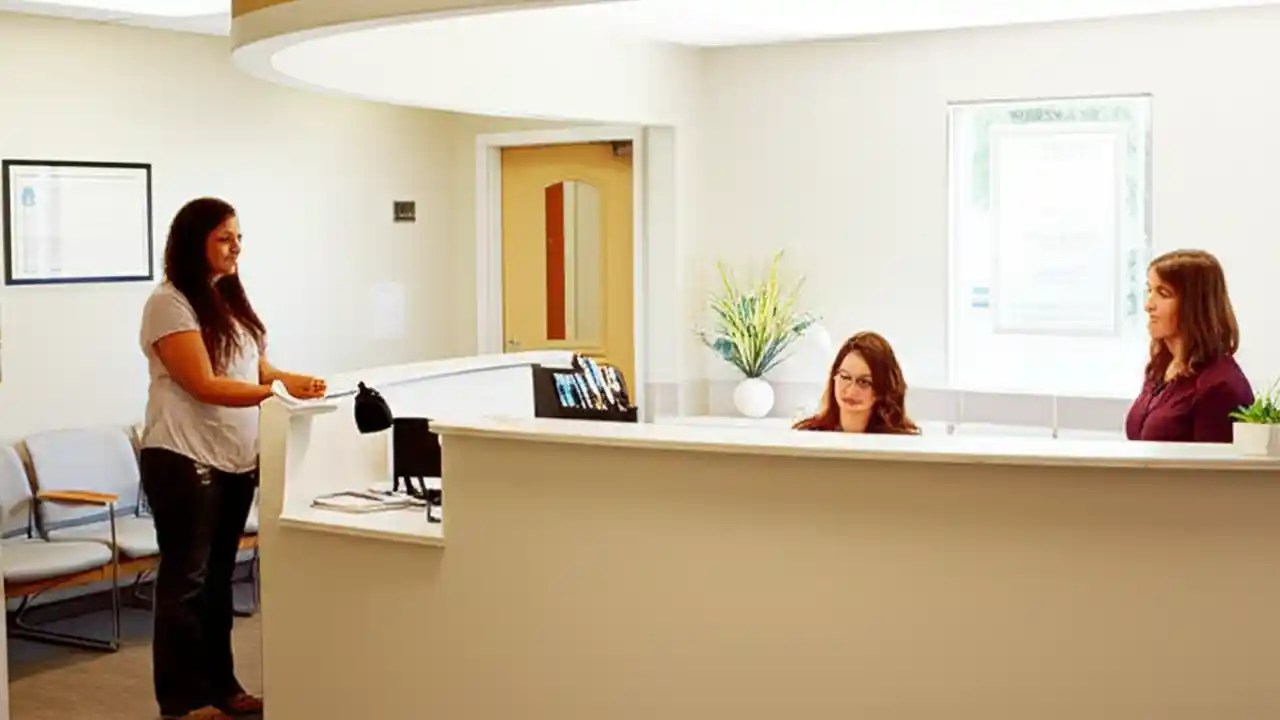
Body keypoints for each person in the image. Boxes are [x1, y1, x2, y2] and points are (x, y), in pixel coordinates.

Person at [139, 197, 327, 720]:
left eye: (238, 237)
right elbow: (201, 383)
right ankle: (181, 699)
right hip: (183, 457)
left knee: (220, 580)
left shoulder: (227, 297)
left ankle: (222, 687)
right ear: (193, 242)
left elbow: (252, 365)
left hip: (234, 459)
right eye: (224, 238)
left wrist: (291, 382)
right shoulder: (169, 303)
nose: (236, 247)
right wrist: (272, 397)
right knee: (187, 583)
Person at [1125, 249, 1253, 443]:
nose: (1148, 305)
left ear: (1194, 306)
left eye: (1163, 294)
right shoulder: (1160, 369)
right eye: (1150, 290)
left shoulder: (1220, 387)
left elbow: (1212, 471)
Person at [794, 331, 920, 434]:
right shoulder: (809, 434)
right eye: (845, 377)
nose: (851, 390)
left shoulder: (902, 443)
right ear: (834, 377)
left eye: (864, 382)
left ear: (883, 388)